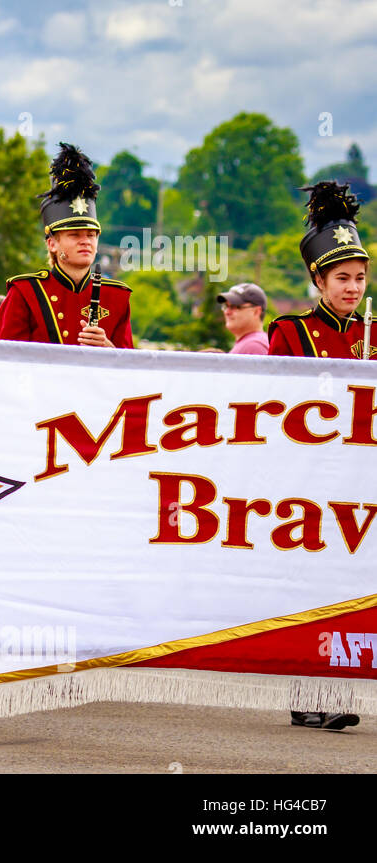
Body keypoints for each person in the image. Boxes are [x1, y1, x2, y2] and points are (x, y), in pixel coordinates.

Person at [267, 181, 373, 731]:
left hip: (362, 481)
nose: (353, 288)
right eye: (342, 278)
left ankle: (343, 687)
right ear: (318, 280)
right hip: (307, 481)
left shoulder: (376, 335)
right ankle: (307, 691)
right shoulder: (290, 331)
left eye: (359, 277)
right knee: (308, 587)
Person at [0, 143, 134, 348]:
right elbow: (5, 361)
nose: (86, 241)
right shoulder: (25, 293)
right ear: (52, 243)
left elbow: (130, 370)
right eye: (75, 235)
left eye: (91, 234)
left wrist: (109, 349)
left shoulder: (117, 297)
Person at [217, 283, 270, 355]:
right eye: (226, 306)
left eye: (235, 307)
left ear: (256, 312)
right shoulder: (249, 344)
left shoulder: (254, 346)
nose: (227, 312)